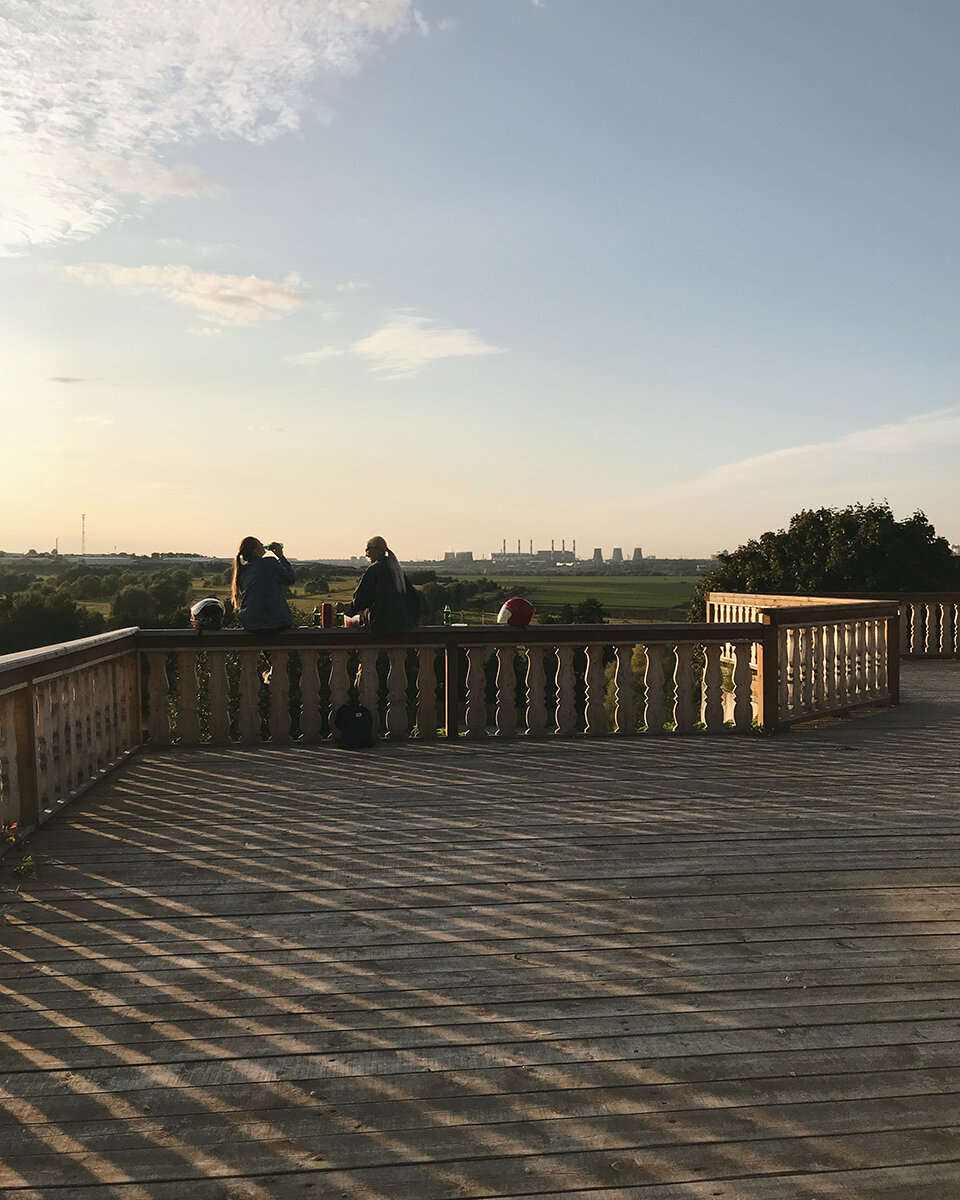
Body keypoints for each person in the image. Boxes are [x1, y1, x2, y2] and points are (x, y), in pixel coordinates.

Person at [339, 536, 420, 634]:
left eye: (367, 549)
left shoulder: (374, 570)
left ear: (377, 550)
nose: (366, 554)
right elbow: (414, 598)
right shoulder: (396, 570)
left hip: (382, 628)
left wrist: (345, 608)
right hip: (403, 627)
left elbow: (361, 600)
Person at [231, 537, 295, 632]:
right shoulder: (269, 562)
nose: (263, 545)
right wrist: (281, 556)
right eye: (260, 544)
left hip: (250, 624)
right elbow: (290, 578)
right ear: (256, 551)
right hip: (277, 622)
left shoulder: (242, 571)